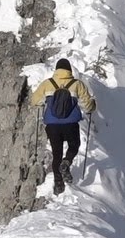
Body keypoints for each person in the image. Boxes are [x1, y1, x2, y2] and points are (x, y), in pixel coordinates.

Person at [30, 58, 97, 193]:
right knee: (74, 145)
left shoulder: (47, 84)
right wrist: (91, 107)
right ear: (69, 70)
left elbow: (35, 101)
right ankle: (67, 162)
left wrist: (44, 103)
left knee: (56, 154)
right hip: (70, 124)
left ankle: (59, 184)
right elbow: (87, 105)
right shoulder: (77, 84)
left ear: (57, 70)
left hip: (52, 125)